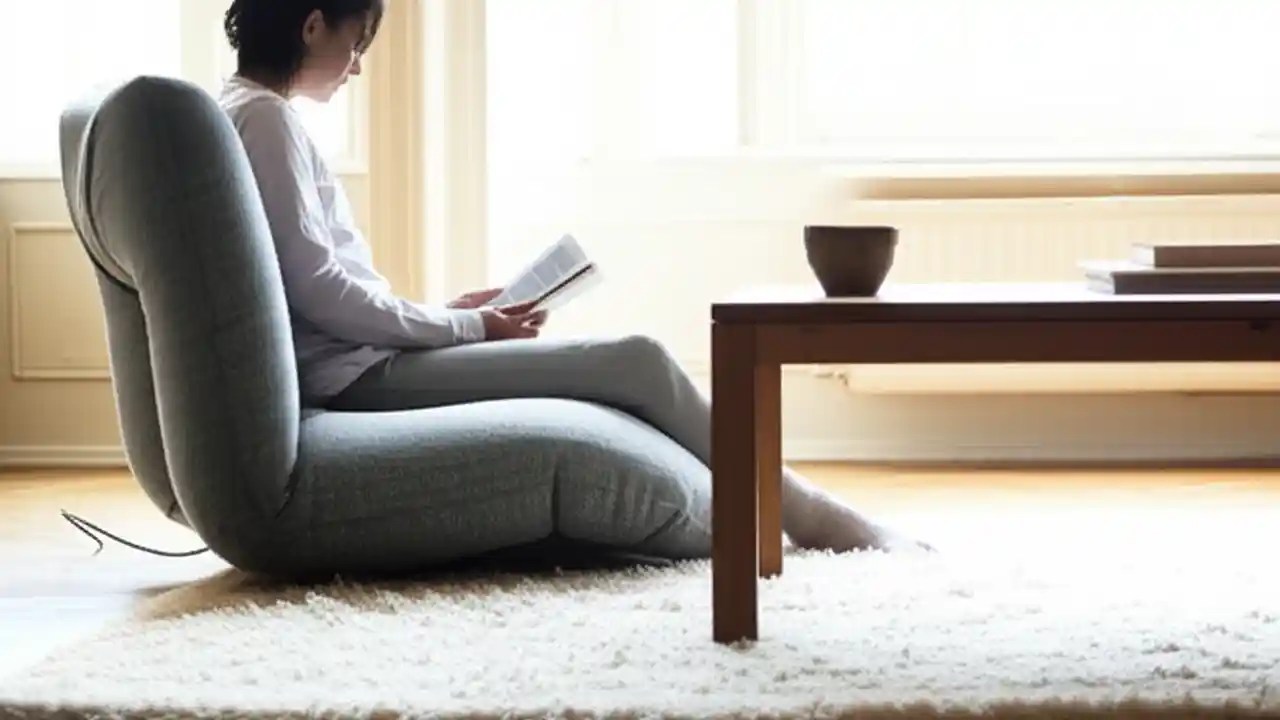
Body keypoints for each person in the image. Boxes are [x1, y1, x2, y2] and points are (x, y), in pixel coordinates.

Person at [217, 0, 928, 555]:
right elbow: (321, 294)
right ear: (313, 26)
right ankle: (807, 514)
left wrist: (443, 313)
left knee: (628, 368)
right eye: (357, 43)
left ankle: (780, 506)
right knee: (637, 363)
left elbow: (318, 286)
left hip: (360, 361)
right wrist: (468, 327)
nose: (357, 66)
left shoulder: (246, 115)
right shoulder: (268, 122)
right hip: (355, 380)